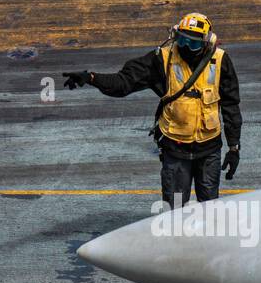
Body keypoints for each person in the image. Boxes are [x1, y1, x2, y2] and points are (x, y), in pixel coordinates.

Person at [62, 12, 241, 205]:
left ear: (207, 42)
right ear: (174, 36)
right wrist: (91, 78)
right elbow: (123, 83)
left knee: (209, 206)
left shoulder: (220, 61)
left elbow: (231, 105)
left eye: (194, 43)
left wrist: (234, 147)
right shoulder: (161, 59)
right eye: (182, 40)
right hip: (175, 151)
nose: (186, 47)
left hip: (209, 150)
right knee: (177, 208)